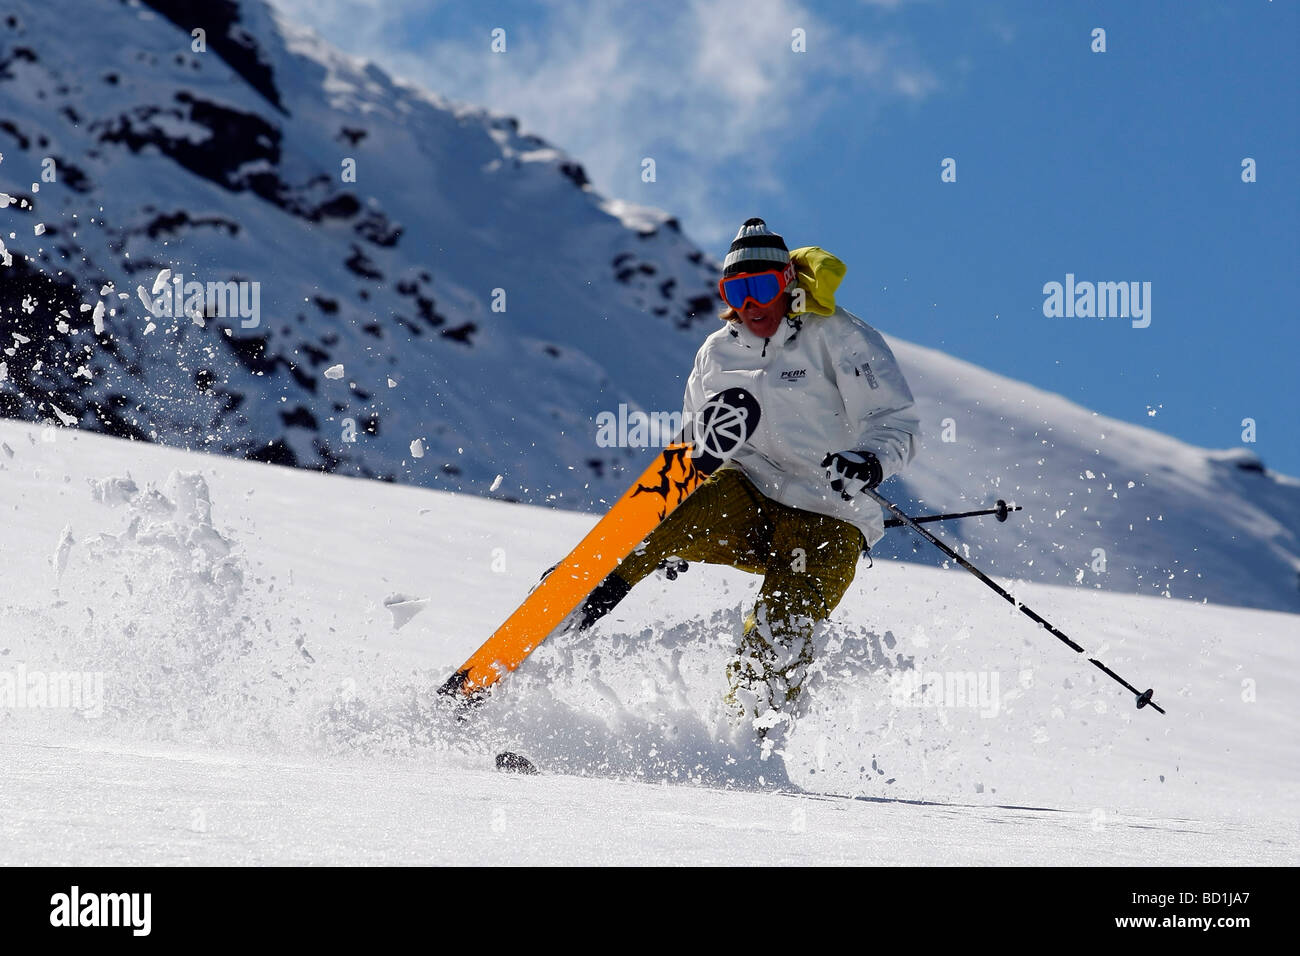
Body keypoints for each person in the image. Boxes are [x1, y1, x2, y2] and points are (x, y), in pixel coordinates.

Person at [577, 217, 919, 747]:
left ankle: (747, 737)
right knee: (669, 508)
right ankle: (579, 596)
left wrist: (868, 461)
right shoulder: (717, 353)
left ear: (788, 283)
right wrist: (680, 527)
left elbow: (895, 420)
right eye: (737, 290)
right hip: (749, 494)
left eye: (763, 287)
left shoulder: (839, 337)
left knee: (783, 623)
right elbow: (694, 450)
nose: (751, 302)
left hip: (829, 512)